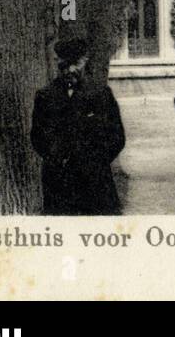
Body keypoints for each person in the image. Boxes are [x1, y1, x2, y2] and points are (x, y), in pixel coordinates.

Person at [31, 37, 126, 215]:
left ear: (85, 62)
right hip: (59, 183)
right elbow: (37, 137)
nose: (70, 70)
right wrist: (56, 157)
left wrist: (96, 160)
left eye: (76, 64)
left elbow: (117, 137)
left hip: (96, 183)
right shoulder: (45, 97)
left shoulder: (101, 95)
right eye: (64, 66)